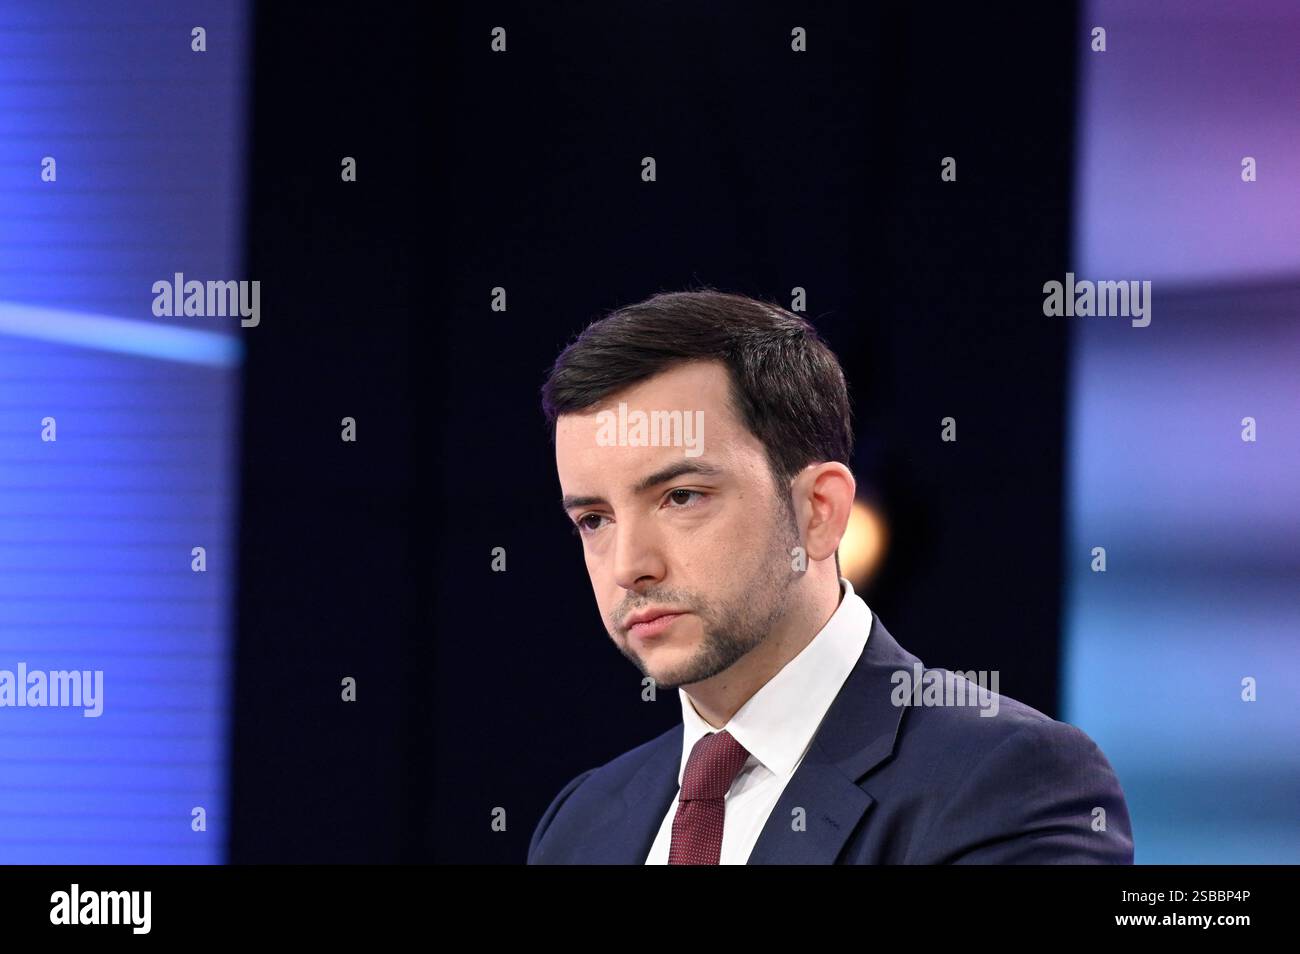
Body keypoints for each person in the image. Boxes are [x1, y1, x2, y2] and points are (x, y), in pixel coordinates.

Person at [529, 289, 1133, 864]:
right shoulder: (581, 823)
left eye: (681, 496)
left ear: (819, 509)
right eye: (594, 519)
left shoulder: (1007, 778)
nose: (631, 565)